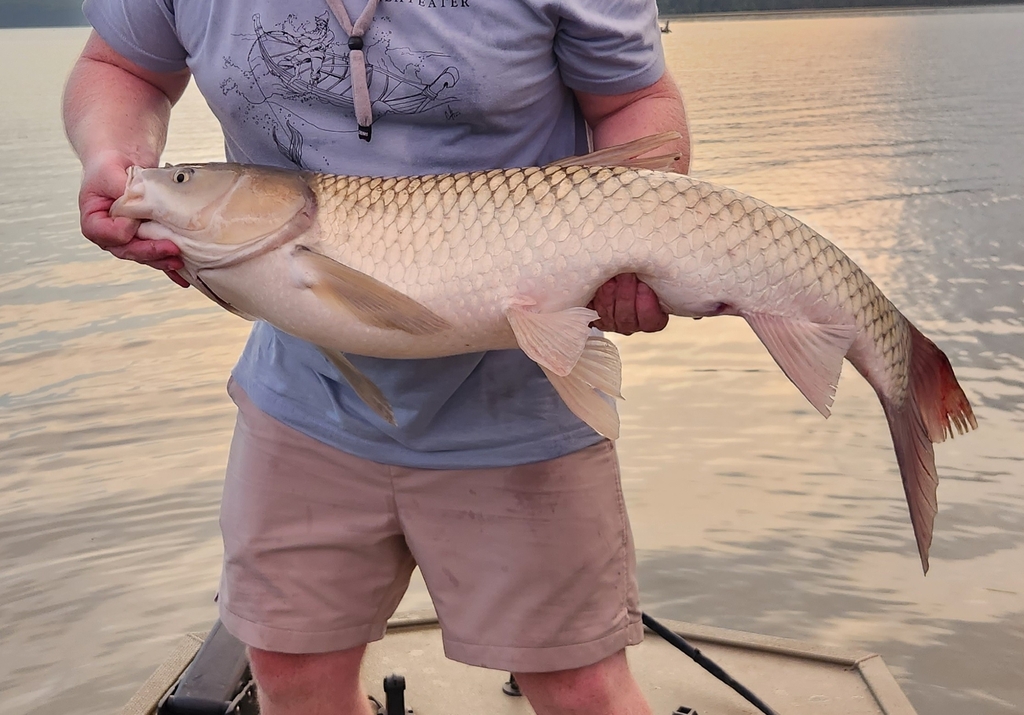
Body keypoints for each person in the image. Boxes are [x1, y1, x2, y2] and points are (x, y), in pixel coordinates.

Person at [63, 1, 690, 713]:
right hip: (303, 389)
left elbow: (634, 101)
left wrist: (635, 244)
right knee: (290, 670)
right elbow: (120, 66)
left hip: (524, 394)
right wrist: (112, 153)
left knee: (579, 686)